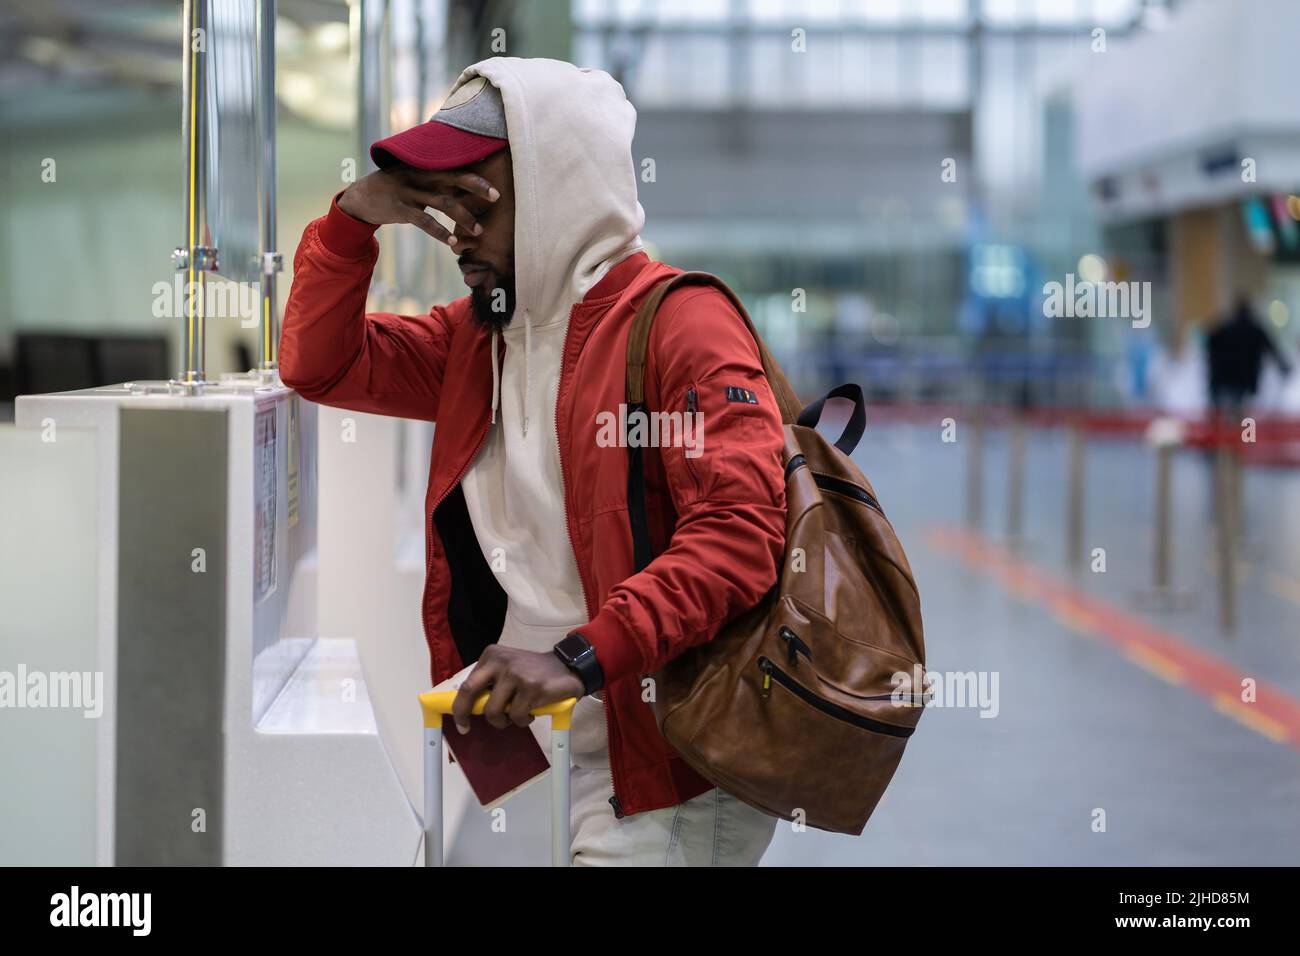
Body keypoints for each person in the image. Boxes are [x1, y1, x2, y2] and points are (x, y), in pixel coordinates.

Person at [279, 58, 784, 865]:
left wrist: (575, 659)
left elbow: (738, 537)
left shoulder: (683, 325)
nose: (456, 232)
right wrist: (352, 220)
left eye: (475, 197)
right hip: (569, 744)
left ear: (557, 190)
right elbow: (320, 366)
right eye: (440, 203)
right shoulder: (478, 340)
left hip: (674, 757)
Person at [1206, 295, 1293, 413]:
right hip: (1246, 381)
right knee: (1242, 416)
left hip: (1224, 381)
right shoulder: (1256, 329)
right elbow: (1272, 349)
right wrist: (1284, 367)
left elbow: (1210, 345)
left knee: (1226, 417)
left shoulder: (1223, 329)